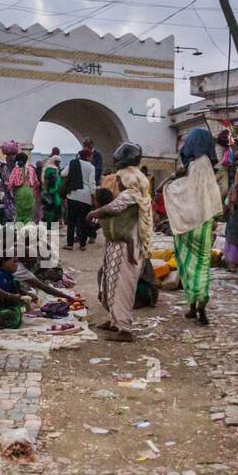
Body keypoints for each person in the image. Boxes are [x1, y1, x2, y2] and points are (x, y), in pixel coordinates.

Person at [87, 142, 152, 343]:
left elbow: (113, 208)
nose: (119, 183)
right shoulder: (137, 194)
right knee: (110, 280)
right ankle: (113, 319)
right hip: (117, 244)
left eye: (121, 180)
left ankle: (124, 328)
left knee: (122, 284)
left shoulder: (131, 195)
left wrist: (93, 213)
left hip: (126, 246)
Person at [164, 126, 223, 325]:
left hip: (187, 225)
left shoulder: (190, 167)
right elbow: (215, 201)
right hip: (204, 225)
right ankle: (201, 306)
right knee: (202, 265)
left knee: (186, 263)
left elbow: (177, 191)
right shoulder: (209, 171)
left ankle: (191, 306)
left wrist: (169, 184)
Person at [61, 147, 96, 250]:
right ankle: (82, 244)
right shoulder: (91, 167)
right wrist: (93, 197)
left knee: (71, 220)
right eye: (91, 156)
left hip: (73, 195)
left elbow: (63, 173)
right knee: (83, 221)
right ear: (87, 156)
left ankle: (70, 244)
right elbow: (92, 184)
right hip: (86, 197)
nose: (92, 158)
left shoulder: (73, 163)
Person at [9, 151, 40, 223]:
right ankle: (28, 231)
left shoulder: (15, 170)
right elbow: (36, 183)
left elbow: (10, 184)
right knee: (29, 215)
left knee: (20, 215)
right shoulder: (31, 169)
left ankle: (21, 232)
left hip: (19, 194)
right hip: (29, 192)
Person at [41, 154, 64, 225]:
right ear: (54, 161)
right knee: (53, 210)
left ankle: (50, 228)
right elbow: (51, 182)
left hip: (52, 192)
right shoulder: (51, 169)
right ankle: (51, 227)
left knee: (50, 210)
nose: (59, 164)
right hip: (52, 193)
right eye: (58, 162)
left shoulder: (50, 169)